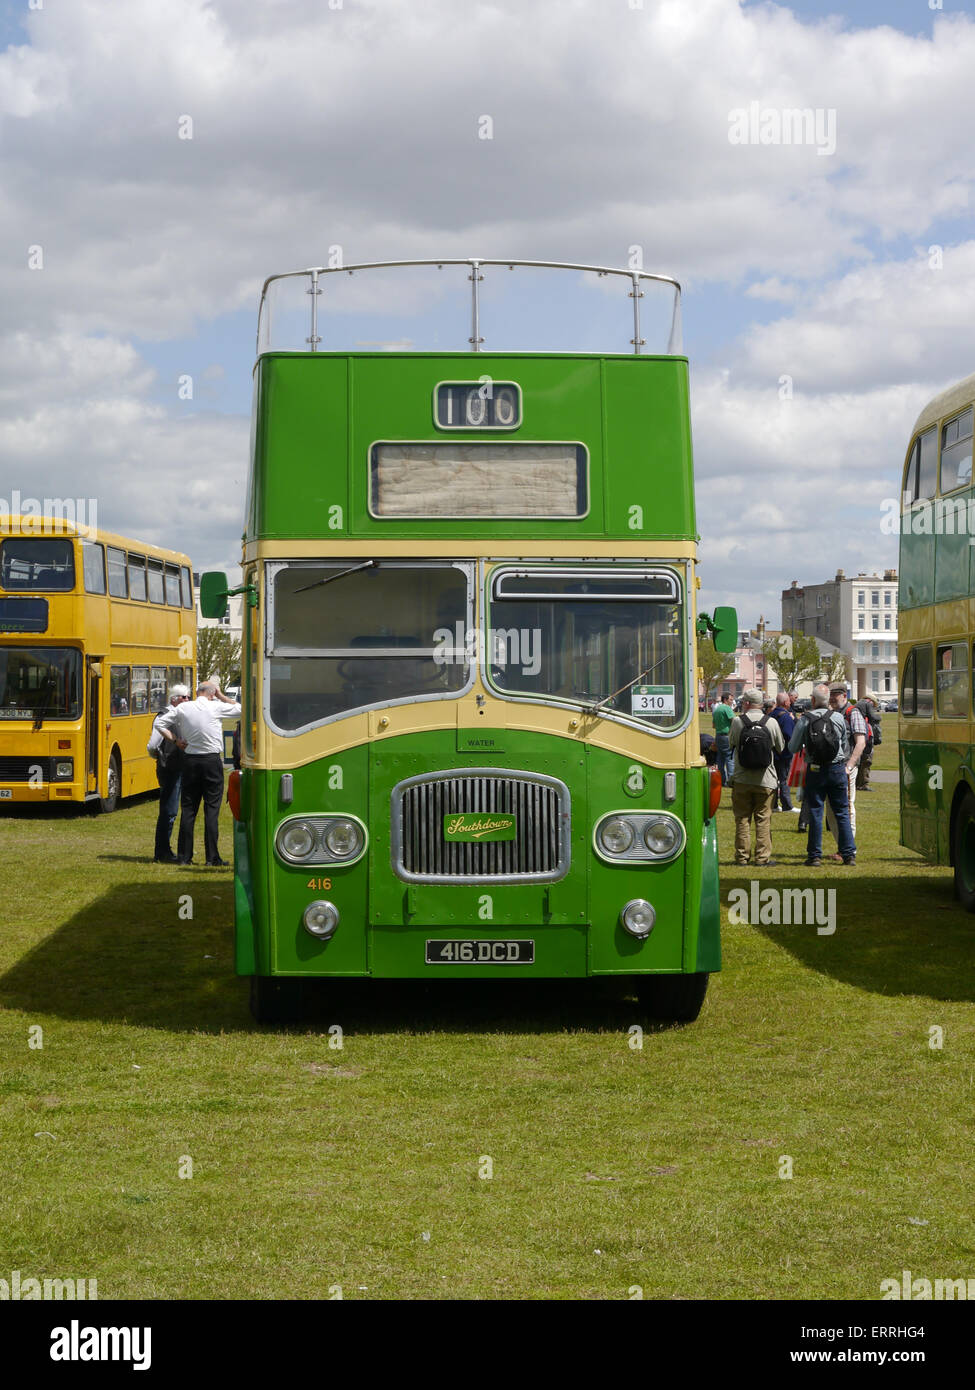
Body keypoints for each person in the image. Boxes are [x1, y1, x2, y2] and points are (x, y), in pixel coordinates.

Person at [155, 680, 241, 866]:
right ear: (211, 693)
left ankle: (185, 856)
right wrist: (221, 696)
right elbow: (240, 709)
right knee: (211, 810)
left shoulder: (185, 708)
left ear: (197, 692)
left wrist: (176, 740)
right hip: (211, 761)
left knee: (188, 810)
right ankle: (212, 857)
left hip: (190, 760)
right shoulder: (215, 706)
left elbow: (159, 723)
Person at [788, 682, 856, 867]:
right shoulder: (838, 718)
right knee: (842, 812)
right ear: (829, 700)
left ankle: (814, 856)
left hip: (815, 769)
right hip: (836, 768)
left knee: (816, 812)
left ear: (812, 699)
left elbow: (793, 747)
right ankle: (848, 854)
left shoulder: (806, 719)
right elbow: (844, 744)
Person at [729, 687, 784, 867]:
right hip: (765, 779)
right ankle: (762, 858)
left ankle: (742, 857)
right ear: (761, 704)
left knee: (742, 819)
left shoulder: (738, 721)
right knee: (763, 819)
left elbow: (732, 743)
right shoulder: (771, 722)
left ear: (746, 703)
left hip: (742, 778)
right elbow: (780, 747)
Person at [147, 684, 190, 862]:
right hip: (169, 767)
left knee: (172, 810)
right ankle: (162, 852)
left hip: (177, 766)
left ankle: (165, 850)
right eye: (184, 697)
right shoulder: (164, 715)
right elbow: (151, 745)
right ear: (174, 699)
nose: (187, 700)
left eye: (188, 697)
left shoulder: (179, 714)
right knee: (169, 811)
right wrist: (160, 757)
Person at [824, 682, 868, 853]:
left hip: (846, 767)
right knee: (831, 810)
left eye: (836, 694)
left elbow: (861, 742)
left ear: (844, 695)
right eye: (830, 694)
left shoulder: (853, 712)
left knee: (846, 807)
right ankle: (842, 846)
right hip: (832, 767)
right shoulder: (832, 713)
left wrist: (849, 766)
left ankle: (848, 850)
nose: (833, 698)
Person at [769, 692, 799, 813]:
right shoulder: (786, 717)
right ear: (786, 702)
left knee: (773, 779)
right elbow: (789, 735)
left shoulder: (770, 715)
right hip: (784, 753)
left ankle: (774, 804)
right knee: (784, 779)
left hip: (772, 752)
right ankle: (787, 805)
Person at [855, 692, 882, 790]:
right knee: (867, 760)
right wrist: (879, 718)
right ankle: (863, 784)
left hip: (857, 734)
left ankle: (857, 783)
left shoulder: (858, 704)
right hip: (866, 735)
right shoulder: (867, 703)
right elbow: (873, 717)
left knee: (859, 761)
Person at [712, 692, 736, 786]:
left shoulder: (717, 709)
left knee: (720, 760)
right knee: (730, 759)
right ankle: (731, 781)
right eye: (730, 699)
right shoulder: (727, 708)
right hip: (727, 736)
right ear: (725, 700)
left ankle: (721, 780)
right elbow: (734, 721)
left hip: (718, 736)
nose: (732, 701)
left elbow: (713, 725)